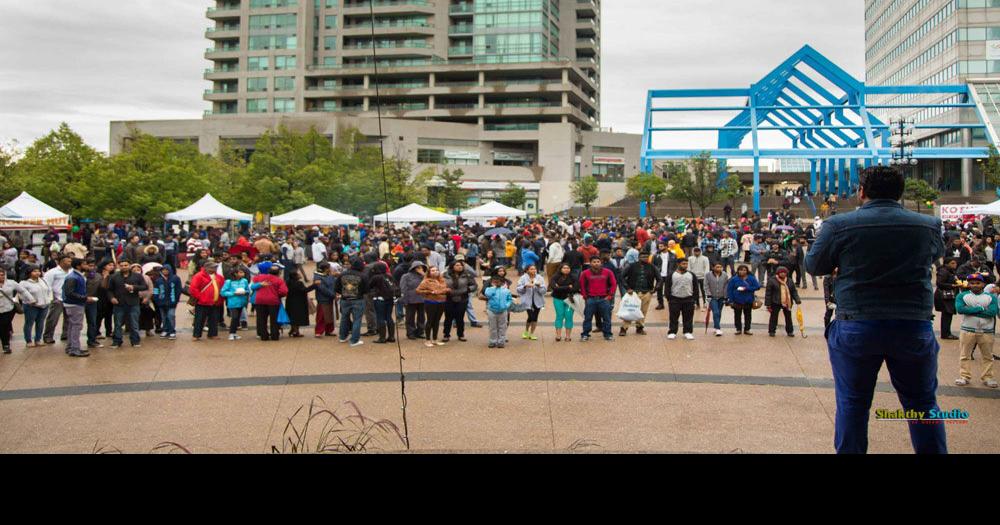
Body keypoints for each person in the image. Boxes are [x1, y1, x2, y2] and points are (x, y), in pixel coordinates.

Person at [806, 165, 947, 455]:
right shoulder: (928, 225)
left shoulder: (839, 225)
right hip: (912, 325)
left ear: (862, 191)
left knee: (853, 403)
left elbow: (814, 265)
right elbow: (934, 255)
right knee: (922, 404)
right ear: (901, 192)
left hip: (857, 324)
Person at [954, 273, 999, 388]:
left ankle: (988, 377)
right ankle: (964, 376)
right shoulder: (962, 296)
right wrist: (980, 308)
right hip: (967, 330)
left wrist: (970, 310)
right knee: (965, 355)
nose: (975, 285)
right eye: (972, 283)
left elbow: (992, 312)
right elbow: (960, 309)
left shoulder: (991, 297)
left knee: (988, 356)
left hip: (987, 331)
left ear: (983, 284)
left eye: (978, 283)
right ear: (968, 284)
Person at [107, 261, 147, 348]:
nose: (124, 267)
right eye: (121, 266)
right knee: (118, 324)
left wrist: (134, 287)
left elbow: (144, 286)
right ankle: (117, 341)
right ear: (119, 266)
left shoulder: (137, 276)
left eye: (126, 265)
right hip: (119, 303)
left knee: (134, 323)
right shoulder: (114, 276)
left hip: (133, 303)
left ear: (129, 266)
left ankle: (135, 341)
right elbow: (109, 290)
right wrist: (112, 298)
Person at [61, 259, 95, 357]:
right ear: (78, 266)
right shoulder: (73, 277)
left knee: (73, 326)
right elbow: (69, 293)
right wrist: (85, 298)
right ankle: (75, 348)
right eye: (84, 264)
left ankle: (71, 346)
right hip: (75, 304)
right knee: (76, 326)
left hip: (75, 303)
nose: (87, 265)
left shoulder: (77, 276)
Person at [579, 256, 616, 342]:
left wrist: (610, 295)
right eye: (594, 262)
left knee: (607, 318)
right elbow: (582, 285)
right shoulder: (585, 273)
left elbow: (613, 284)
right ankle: (585, 334)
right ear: (590, 263)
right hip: (590, 299)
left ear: (601, 263)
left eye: (598, 262)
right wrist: (585, 296)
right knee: (588, 317)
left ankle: (608, 334)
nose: (596, 263)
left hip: (604, 299)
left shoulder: (608, 272)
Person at [621, 252, 657, 337]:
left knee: (643, 311)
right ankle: (624, 328)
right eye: (642, 256)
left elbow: (659, 279)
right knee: (630, 310)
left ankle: (639, 328)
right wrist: (627, 288)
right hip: (633, 292)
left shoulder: (652, 267)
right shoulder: (631, 266)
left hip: (646, 292)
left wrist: (654, 289)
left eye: (646, 256)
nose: (644, 258)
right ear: (638, 257)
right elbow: (621, 277)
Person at [252, 262, 289, 342]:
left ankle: (263, 336)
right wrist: (278, 295)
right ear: (279, 272)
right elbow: (284, 291)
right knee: (274, 319)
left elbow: (253, 286)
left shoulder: (259, 277)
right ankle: (274, 335)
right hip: (273, 301)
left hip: (260, 300)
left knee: (261, 319)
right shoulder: (279, 280)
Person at [189, 261, 225, 341]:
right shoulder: (199, 276)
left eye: (215, 267)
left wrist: (221, 299)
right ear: (206, 268)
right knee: (199, 319)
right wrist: (201, 297)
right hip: (202, 302)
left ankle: (212, 334)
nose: (214, 269)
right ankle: (196, 335)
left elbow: (222, 287)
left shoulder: (219, 277)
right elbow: (193, 289)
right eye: (212, 267)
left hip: (215, 302)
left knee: (214, 319)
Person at [17, 266, 51, 349]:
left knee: (40, 323)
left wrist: (49, 300)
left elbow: (48, 290)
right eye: (34, 271)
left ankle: (38, 339)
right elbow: (21, 295)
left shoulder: (42, 280)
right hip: (31, 306)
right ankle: (28, 341)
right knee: (29, 323)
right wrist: (30, 301)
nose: (37, 273)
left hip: (44, 305)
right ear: (29, 272)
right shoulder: (23, 283)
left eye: (38, 271)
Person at [335, 259, 368, 347]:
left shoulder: (342, 274)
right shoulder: (363, 276)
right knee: (357, 319)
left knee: (344, 318)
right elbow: (366, 289)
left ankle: (342, 337)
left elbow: (337, 287)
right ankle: (354, 340)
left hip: (344, 299)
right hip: (358, 299)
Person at [416, 266, 450, 348]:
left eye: (436, 270)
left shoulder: (442, 280)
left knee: (437, 321)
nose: (435, 272)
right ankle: (428, 340)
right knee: (430, 321)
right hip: (431, 302)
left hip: (441, 302)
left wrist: (445, 291)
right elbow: (418, 290)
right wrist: (429, 292)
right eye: (433, 270)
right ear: (429, 272)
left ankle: (435, 339)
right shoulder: (426, 281)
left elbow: (446, 289)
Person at [443, 260, 476, 343]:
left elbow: (474, 285)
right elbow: (440, 284)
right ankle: (446, 335)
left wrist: (468, 289)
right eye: (457, 265)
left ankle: (460, 334)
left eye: (461, 265)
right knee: (448, 317)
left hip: (462, 298)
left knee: (460, 317)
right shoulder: (445, 275)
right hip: (449, 298)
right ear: (452, 266)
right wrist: (444, 289)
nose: (459, 267)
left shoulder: (467, 275)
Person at [42, 254, 72, 345]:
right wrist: (52, 298)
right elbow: (47, 285)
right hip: (57, 299)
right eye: (68, 261)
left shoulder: (71, 271)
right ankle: (48, 336)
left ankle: (65, 334)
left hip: (69, 298)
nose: (70, 263)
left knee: (68, 319)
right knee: (53, 319)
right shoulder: (52, 272)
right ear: (61, 262)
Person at [664, 258, 696, 340]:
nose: (685, 265)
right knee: (673, 317)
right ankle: (672, 332)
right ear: (678, 264)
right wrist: (669, 298)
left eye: (686, 264)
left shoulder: (691, 275)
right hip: (674, 299)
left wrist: (694, 299)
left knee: (688, 317)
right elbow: (667, 287)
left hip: (688, 299)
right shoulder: (671, 275)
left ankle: (687, 332)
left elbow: (695, 287)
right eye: (683, 264)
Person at [765, 266, 801, 337]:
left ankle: (790, 331)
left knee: (788, 317)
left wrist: (797, 299)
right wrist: (768, 304)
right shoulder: (772, 280)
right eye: (781, 272)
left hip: (787, 302)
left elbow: (793, 291)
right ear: (778, 273)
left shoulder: (789, 280)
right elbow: (768, 293)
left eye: (784, 272)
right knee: (773, 317)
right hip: (775, 302)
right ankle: (772, 331)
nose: (783, 274)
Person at [369, 262, 399, 344]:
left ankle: (382, 338)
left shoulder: (376, 277)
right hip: (389, 299)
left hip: (379, 299)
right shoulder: (389, 276)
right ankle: (391, 337)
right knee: (389, 317)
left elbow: (369, 286)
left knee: (380, 318)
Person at [726, 265, 761, 335]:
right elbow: (729, 290)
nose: (742, 271)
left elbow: (757, 287)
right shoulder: (734, 279)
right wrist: (731, 300)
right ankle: (738, 329)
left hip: (748, 300)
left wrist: (746, 289)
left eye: (744, 270)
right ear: (738, 271)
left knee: (748, 316)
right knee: (737, 315)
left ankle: (747, 329)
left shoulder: (751, 278)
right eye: (741, 270)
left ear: (747, 271)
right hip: (737, 300)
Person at [151, 265, 182, 340]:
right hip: (161, 302)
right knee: (164, 317)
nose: (165, 271)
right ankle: (165, 330)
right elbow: (155, 290)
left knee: (171, 316)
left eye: (166, 270)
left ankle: (172, 331)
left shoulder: (176, 278)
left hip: (172, 302)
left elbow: (178, 290)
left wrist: (176, 300)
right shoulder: (159, 280)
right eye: (163, 270)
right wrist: (156, 299)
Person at [516, 264, 546, 341]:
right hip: (527, 301)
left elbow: (544, 291)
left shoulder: (539, 278)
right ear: (527, 270)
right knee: (531, 317)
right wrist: (525, 286)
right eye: (531, 269)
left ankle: (531, 333)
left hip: (538, 301)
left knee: (535, 318)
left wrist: (539, 286)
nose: (533, 271)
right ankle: (526, 331)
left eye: (534, 269)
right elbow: (519, 290)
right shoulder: (523, 278)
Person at [549, 263, 578, 342]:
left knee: (569, 316)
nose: (566, 269)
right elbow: (554, 288)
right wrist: (568, 286)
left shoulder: (574, 277)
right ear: (561, 269)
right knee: (559, 315)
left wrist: (560, 287)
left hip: (570, 300)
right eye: (564, 268)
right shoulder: (555, 277)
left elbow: (575, 288)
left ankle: (568, 336)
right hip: (558, 299)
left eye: (568, 268)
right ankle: (558, 335)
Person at [220, 268, 250, 341]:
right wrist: (233, 293)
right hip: (233, 302)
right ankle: (231, 333)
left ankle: (234, 333)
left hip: (242, 302)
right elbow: (223, 292)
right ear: (235, 273)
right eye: (240, 272)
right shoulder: (229, 282)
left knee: (238, 318)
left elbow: (248, 290)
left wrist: (245, 292)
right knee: (235, 317)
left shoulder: (244, 281)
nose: (242, 274)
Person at [399, 261, 427, 340]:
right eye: (418, 267)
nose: (420, 269)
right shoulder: (406, 276)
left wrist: (424, 275)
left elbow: (429, 283)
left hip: (422, 299)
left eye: (422, 267)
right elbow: (403, 288)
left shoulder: (424, 276)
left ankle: (420, 332)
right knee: (410, 317)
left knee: (421, 317)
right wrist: (404, 299)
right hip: (410, 299)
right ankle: (410, 332)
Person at [934, 258, 960, 340]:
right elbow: (939, 283)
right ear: (947, 263)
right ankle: (945, 333)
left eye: (955, 263)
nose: (954, 265)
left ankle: (947, 332)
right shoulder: (944, 271)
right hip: (944, 297)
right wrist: (952, 285)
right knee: (946, 314)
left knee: (948, 315)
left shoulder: (951, 271)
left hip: (949, 296)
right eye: (952, 263)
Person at [284, 271, 314, 338]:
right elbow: (305, 290)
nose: (300, 275)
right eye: (298, 274)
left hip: (290, 301)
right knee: (297, 317)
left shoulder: (288, 282)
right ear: (295, 276)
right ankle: (296, 331)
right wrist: (314, 285)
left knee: (292, 316)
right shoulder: (299, 283)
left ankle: (293, 329)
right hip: (299, 302)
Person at [312, 262, 337, 338]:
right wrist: (332, 294)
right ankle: (318, 331)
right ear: (326, 269)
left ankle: (328, 330)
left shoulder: (329, 275)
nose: (330, 269)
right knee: (321, 316)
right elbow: (322, 288)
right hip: (323, 299)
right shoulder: (318, 277)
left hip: (329, 299)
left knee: (329, 316)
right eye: (329, 268)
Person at [705, 262, 730, 337]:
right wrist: (708, 294)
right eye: (717, 267)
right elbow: (706, 285)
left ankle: (716, 326)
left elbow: (726, 285)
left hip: (721, 296)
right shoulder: (708, 275)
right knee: (715, 312)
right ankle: (718, 328)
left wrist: (726, 296)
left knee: (719, 312)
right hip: (712, 297)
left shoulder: (725, 275)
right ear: (713, 268)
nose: (719, 268)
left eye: (720, 267)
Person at [0, 268, 19, 354]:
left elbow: (22, 290)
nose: (2, 276)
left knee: (4, 326)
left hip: (8, 308)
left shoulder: (10, 283)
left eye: (3, 274)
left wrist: (30, 299)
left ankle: (6, 345)